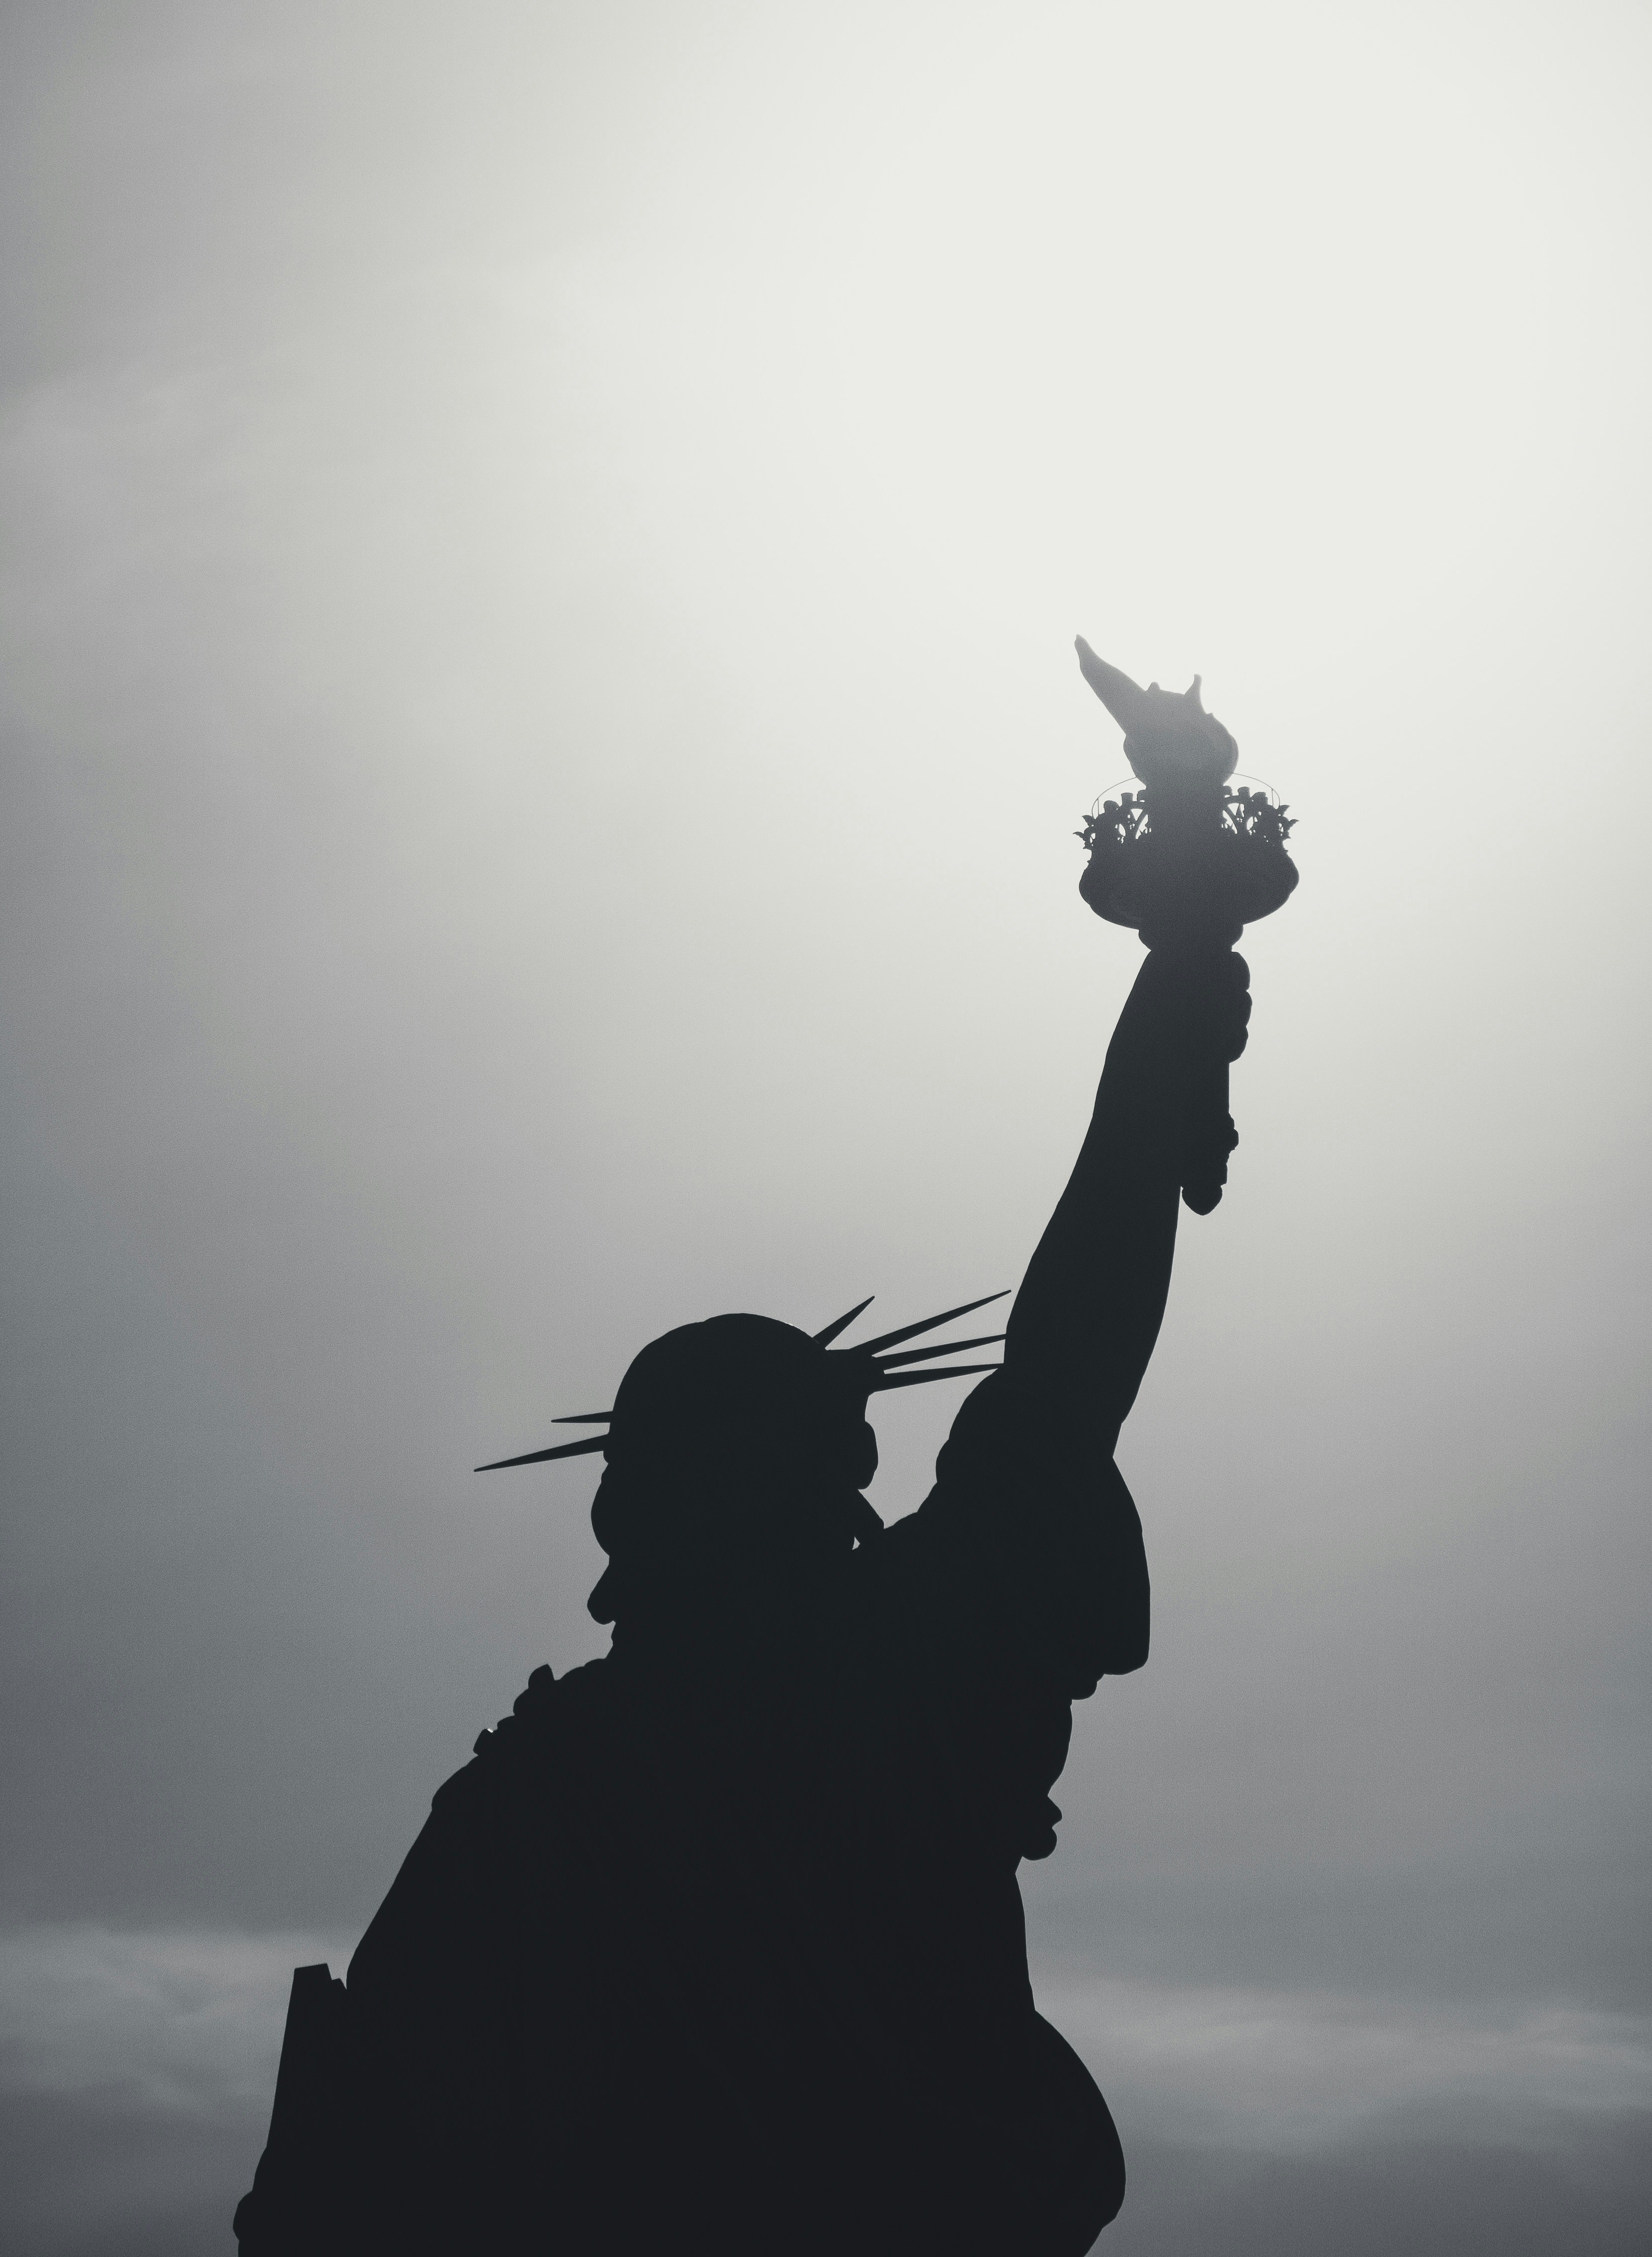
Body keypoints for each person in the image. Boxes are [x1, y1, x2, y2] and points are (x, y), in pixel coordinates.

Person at [234, 931, 1252, 2256]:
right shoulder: (577, 1779)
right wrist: (1166, 1018)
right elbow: (362, 2148)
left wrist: (1167, 1019)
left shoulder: (568, 1778)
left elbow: (1068, 1352)